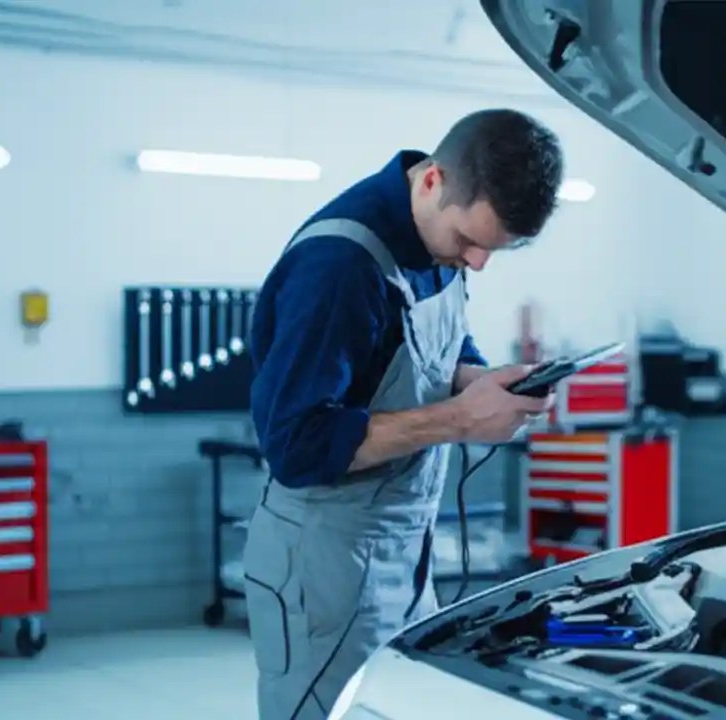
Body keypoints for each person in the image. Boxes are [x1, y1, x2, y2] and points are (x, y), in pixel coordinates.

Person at [242, 109, 565, 720]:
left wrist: (484, 381)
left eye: (494, 249)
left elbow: (435, 351)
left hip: (405, 552)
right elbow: (295, 444)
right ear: (432, 181)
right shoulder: (340, 267)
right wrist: (462, 420)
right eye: (469, 241)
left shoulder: (439, 237)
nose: (476, 263)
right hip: (323, 565)